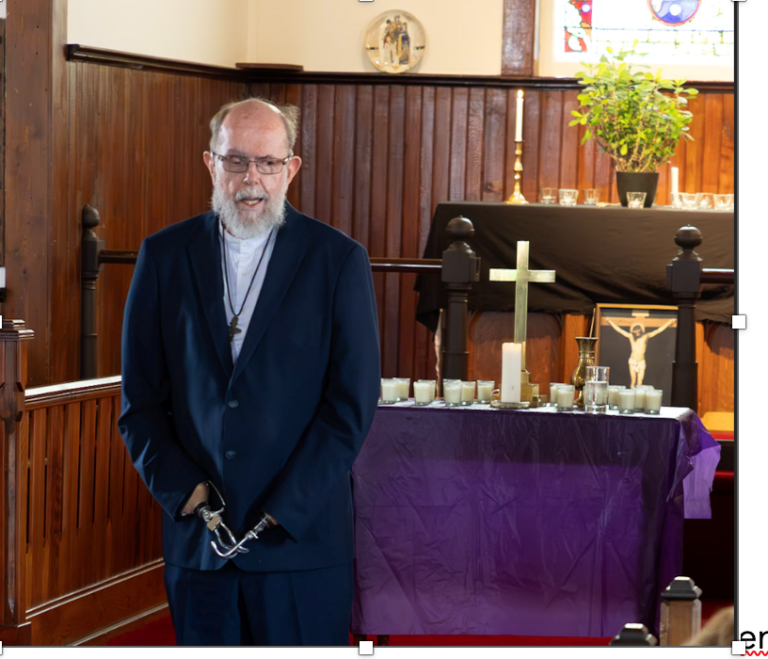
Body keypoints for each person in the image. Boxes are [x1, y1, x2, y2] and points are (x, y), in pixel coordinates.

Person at [118, 98, 381, 646]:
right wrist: (185, 493)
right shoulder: (164, 256)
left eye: (267, 162)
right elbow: (140, 401)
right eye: (236, 161)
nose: (251, 179)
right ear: (210, 164)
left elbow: (350, 405)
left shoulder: (337, 260)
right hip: (201, 541)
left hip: (300, 543)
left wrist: (285, 509)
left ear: (292, 168)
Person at [607, 318, 675, 387]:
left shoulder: (646, 336)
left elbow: (658, 330)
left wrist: (669, 322)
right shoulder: (631, 336)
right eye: (636, 332)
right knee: (633, 381)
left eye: (638, 332)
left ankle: (638, 396)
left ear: (641, 331)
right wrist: (610, 322)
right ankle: (633, 396)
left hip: (641, 362)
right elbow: (620, 330)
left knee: (640, 382)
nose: (637, 334)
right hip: (632, 361)